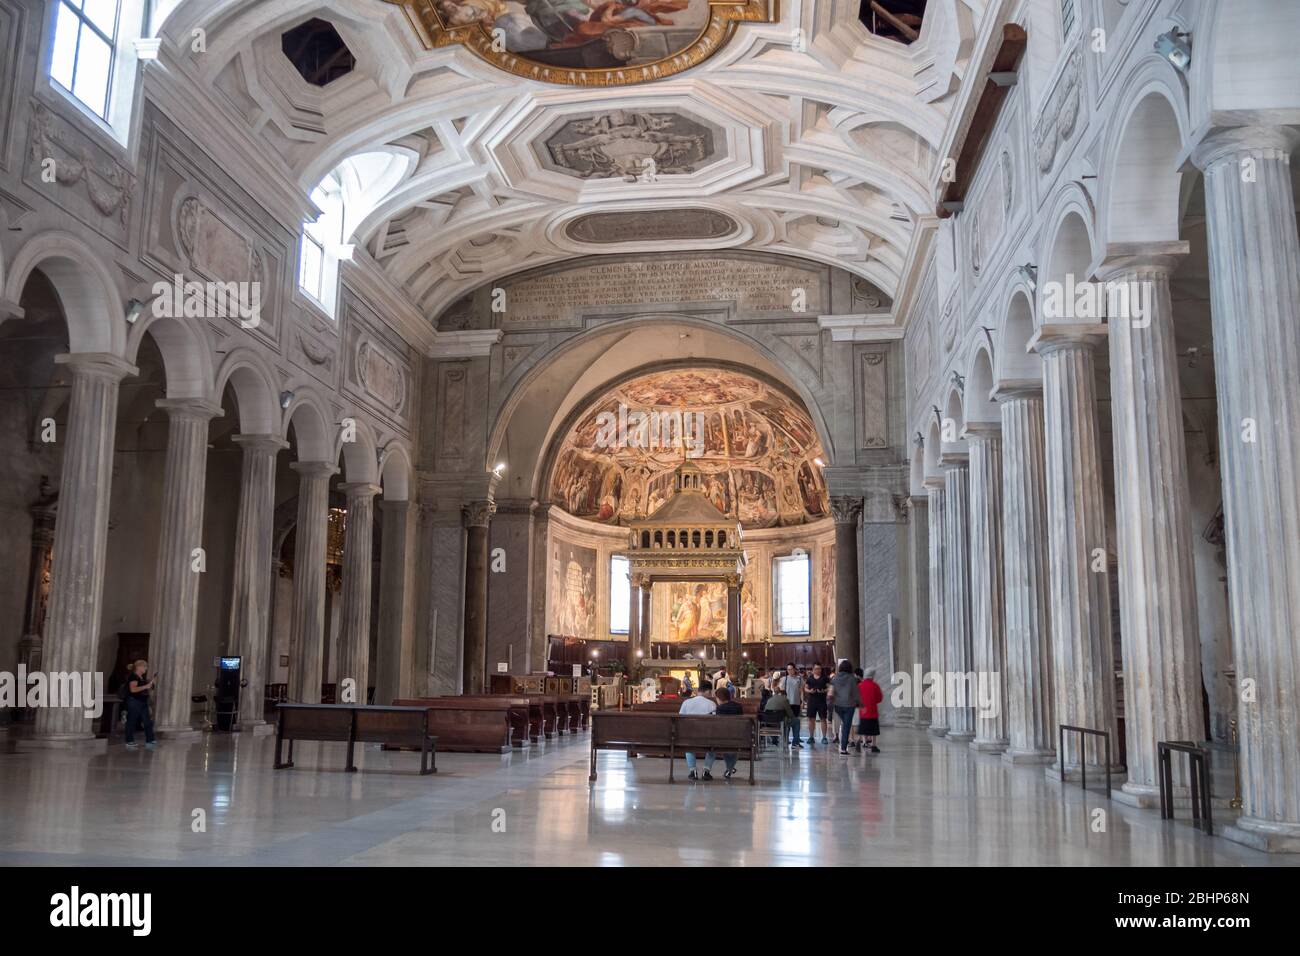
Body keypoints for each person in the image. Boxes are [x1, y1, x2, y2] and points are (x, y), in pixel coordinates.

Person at [679, 682, 716, 780]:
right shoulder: (711, 704)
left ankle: (693, 771)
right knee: (712, 748)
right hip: (707, 737)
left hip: (690, 736)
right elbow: (715, 722)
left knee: (689, 747)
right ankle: (706, 771)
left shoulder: (686, 702)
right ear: (708, 691)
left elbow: (680, 718)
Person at [122, 660, 157, 750]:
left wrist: (150, 685)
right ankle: (129, 741)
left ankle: (150, 740)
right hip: (134, 701)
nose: (146, 668)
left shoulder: (141, 677)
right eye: (145, 667)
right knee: (131, 721)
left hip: (142, 702)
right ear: (139, 667)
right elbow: (133, 690)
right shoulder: (133, 676)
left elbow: (143, 689)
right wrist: (146, 686)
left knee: (147, 722)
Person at [828, 660, 861, 754]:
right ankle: (843, 748)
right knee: (847, 725)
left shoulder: (835, 678)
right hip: (849, 705)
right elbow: (855, 692)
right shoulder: (852, 678)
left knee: (845, 724)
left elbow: (831, 691)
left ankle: (843, 744)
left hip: (838, 705)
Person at [712, 687, 744, 779]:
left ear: (719, 698)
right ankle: (730, 769)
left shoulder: (720, 708)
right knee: (733, 749)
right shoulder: (738, 706)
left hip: (724, 736)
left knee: (725, 745)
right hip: (738, 735)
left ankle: (729, 769)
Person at [764, 680, 800, 749]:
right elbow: (790, 714)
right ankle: (795, 743)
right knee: (796, 721)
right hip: (780, 721)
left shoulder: (769, 700)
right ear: (780, 692)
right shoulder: (784, 699)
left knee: (775, 721)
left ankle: (774, 740)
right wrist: (790, 716)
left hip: (769, 721)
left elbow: (765, 711)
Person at [858, 667, 884, 753]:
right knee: (873, 730)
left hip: (863, 711)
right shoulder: (875, 685)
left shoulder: (860, 685)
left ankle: (864, 742)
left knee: (864, 727)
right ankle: (874, 745)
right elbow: (879, 698)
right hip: (873, 711)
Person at [804, 663, 831, 745]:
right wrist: (810, 691)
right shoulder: (810, 678)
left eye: (819, 668)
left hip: (821, 701)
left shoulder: (824, 678)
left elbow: (829, 687)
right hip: (812, 701)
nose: (817, 670)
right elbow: (805, 688)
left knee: (823, 719)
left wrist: (824, 691)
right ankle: (811, 737)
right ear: (813, 669)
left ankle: (824, 737)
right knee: (811, 719)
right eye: (816, 669)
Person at [782, 663, 804, 745]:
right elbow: (781, 690)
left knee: (796, 721)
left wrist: (802, 701)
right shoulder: (785, 679)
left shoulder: (799, 679)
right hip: (787, 704)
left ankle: (796, 739)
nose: (790, 671)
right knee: (787, 722)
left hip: (796, 703)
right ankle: (786, 739)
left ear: (794, 669)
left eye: (791, 669)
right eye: (788, 669)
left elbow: (801, 690)